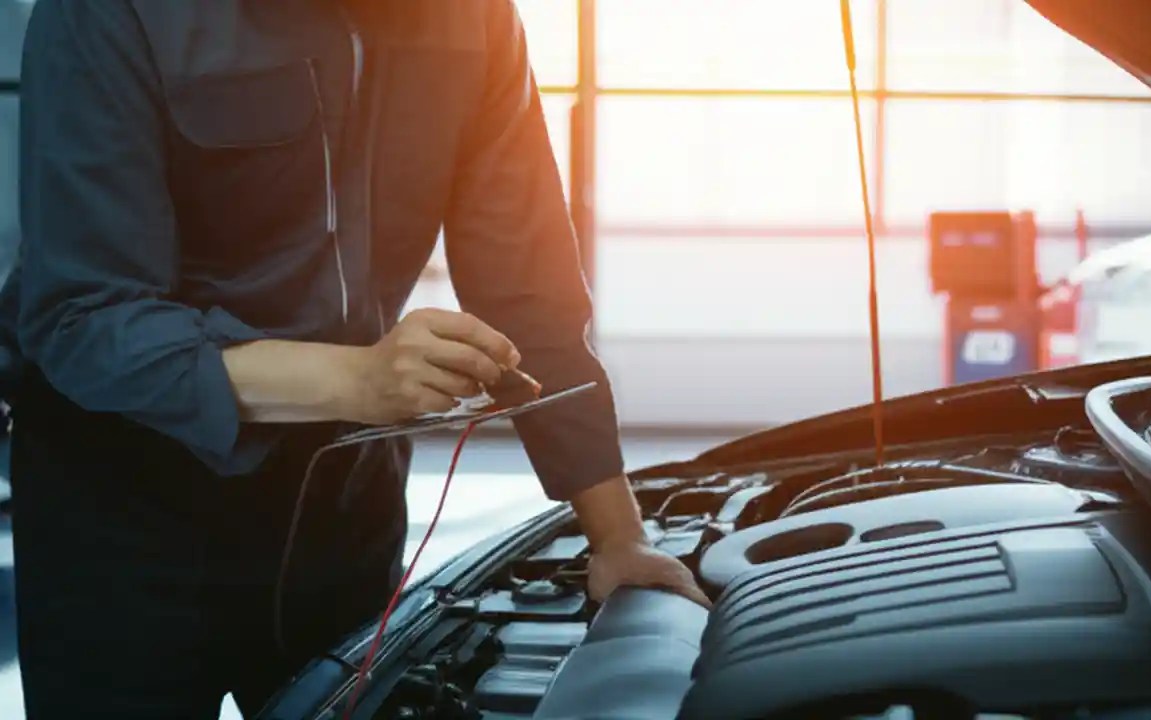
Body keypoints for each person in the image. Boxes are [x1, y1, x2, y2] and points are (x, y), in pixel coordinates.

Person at [5, 1, 709, 718]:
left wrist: (618, 536)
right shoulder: (110, 12)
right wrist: (356, 379)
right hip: (123, 515)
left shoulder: (476, 19)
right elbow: (85, 319)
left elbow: (529, 289)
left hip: (343, 508)